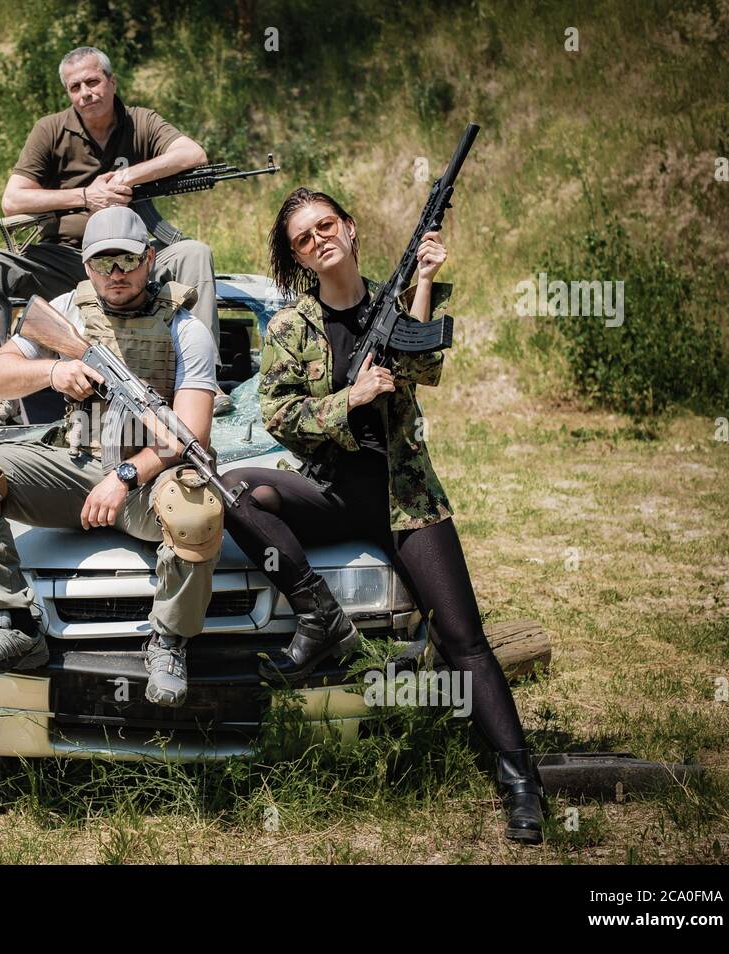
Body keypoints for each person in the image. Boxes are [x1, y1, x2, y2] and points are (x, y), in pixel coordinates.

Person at [221, 187, 547, 844]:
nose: (319, 239)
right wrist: (352, 397)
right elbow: (281, 418)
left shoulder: (393, 303)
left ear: (350, 227)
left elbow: (425, 367)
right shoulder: (290, 326)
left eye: (326, 225)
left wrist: (424, 279)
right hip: (333, 492)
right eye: (304, 238)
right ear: (298, 259)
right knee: (234, 490)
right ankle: (319, 615)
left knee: (463, 639)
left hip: (406, 499)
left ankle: (519, 783)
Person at [0, 206, 221, 706]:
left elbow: (188, 434)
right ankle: (18, 624)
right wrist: (53, 373)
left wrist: (127, 476)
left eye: (127, 261)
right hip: (75, 464)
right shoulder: (66, 309)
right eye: (102, 262)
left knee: (199, 512)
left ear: (150, 258)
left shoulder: (185, 328)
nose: (115, 274)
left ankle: (169, 642)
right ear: (86, 265)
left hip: (148, 483)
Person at [0, 45, 232, 428]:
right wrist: (86, 195)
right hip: (64, 257)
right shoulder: (51, 129)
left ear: (111, 81)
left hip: (131, 262)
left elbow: (192, 154)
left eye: (93, 81)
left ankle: (208, 383)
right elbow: (13, 199)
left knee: (194, 253)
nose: (85, 93)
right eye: (75, 87)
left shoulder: (139, 121)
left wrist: (128, 177)